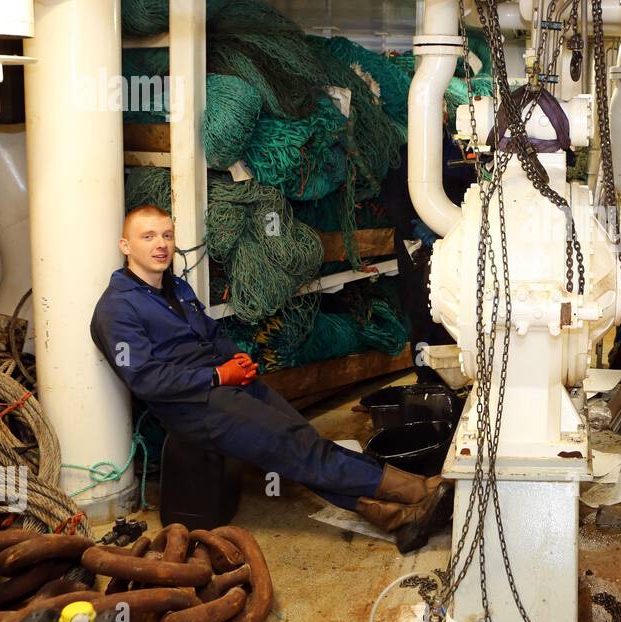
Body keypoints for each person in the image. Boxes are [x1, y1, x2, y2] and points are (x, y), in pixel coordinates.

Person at [89, 203, 450, 552]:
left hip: (226, 383)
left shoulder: (176, 288)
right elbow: (147, 380)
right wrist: (218, 375)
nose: (161, 244)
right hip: (193, 404)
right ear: (126, 246)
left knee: (301, 444)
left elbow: (211, 333)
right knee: (299, 447)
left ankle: (397, 518)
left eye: (167, 235)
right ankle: (417, 490)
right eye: (148, 236)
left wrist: (236, 359)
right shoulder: (117, 308)